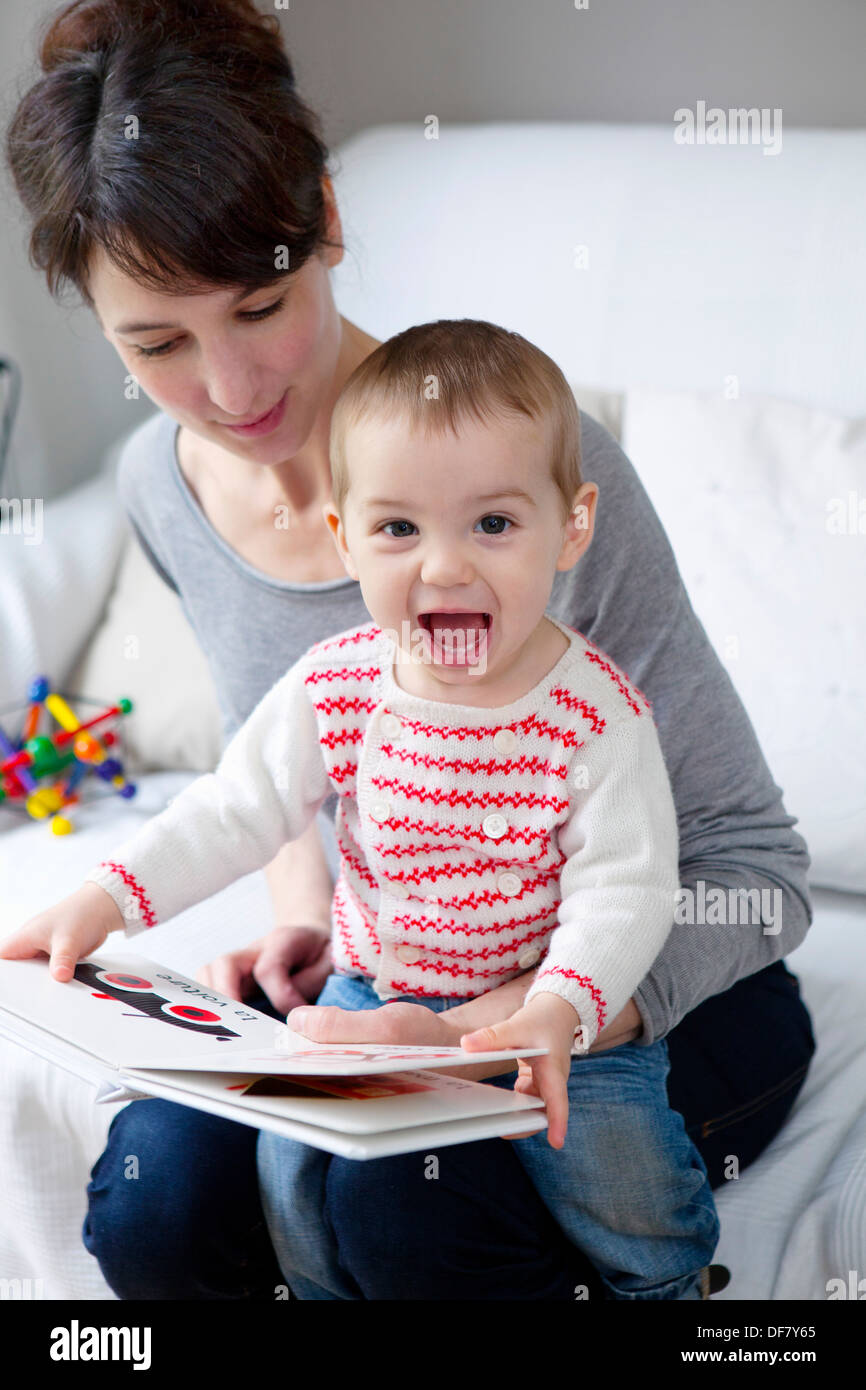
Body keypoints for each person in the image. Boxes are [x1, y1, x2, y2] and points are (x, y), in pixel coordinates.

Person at [3, 0, 815, 1301]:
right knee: (162, 1204)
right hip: (388, 978)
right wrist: (305, 926)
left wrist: (508, 1024)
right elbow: (284, 771)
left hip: (647, 1000)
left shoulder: (521, 478)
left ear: (325, 217)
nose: (229, 389)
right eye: (155, 343)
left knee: (404, 1210)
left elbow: (755, 870)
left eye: (261, 304)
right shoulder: (163, 486)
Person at [2, 318, 724, 1301]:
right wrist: (105, 899)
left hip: (541, 994)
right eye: (398, 528)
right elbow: (234, 810)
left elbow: (624, 885)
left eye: (493, 524)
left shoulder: (592, 710)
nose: (442, 566)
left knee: (615, 1171)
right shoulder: (336, 685)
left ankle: (669, 1286)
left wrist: (561, 1005)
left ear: (573, 526)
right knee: (292, 1170)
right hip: (365, 985)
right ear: (345, 537)